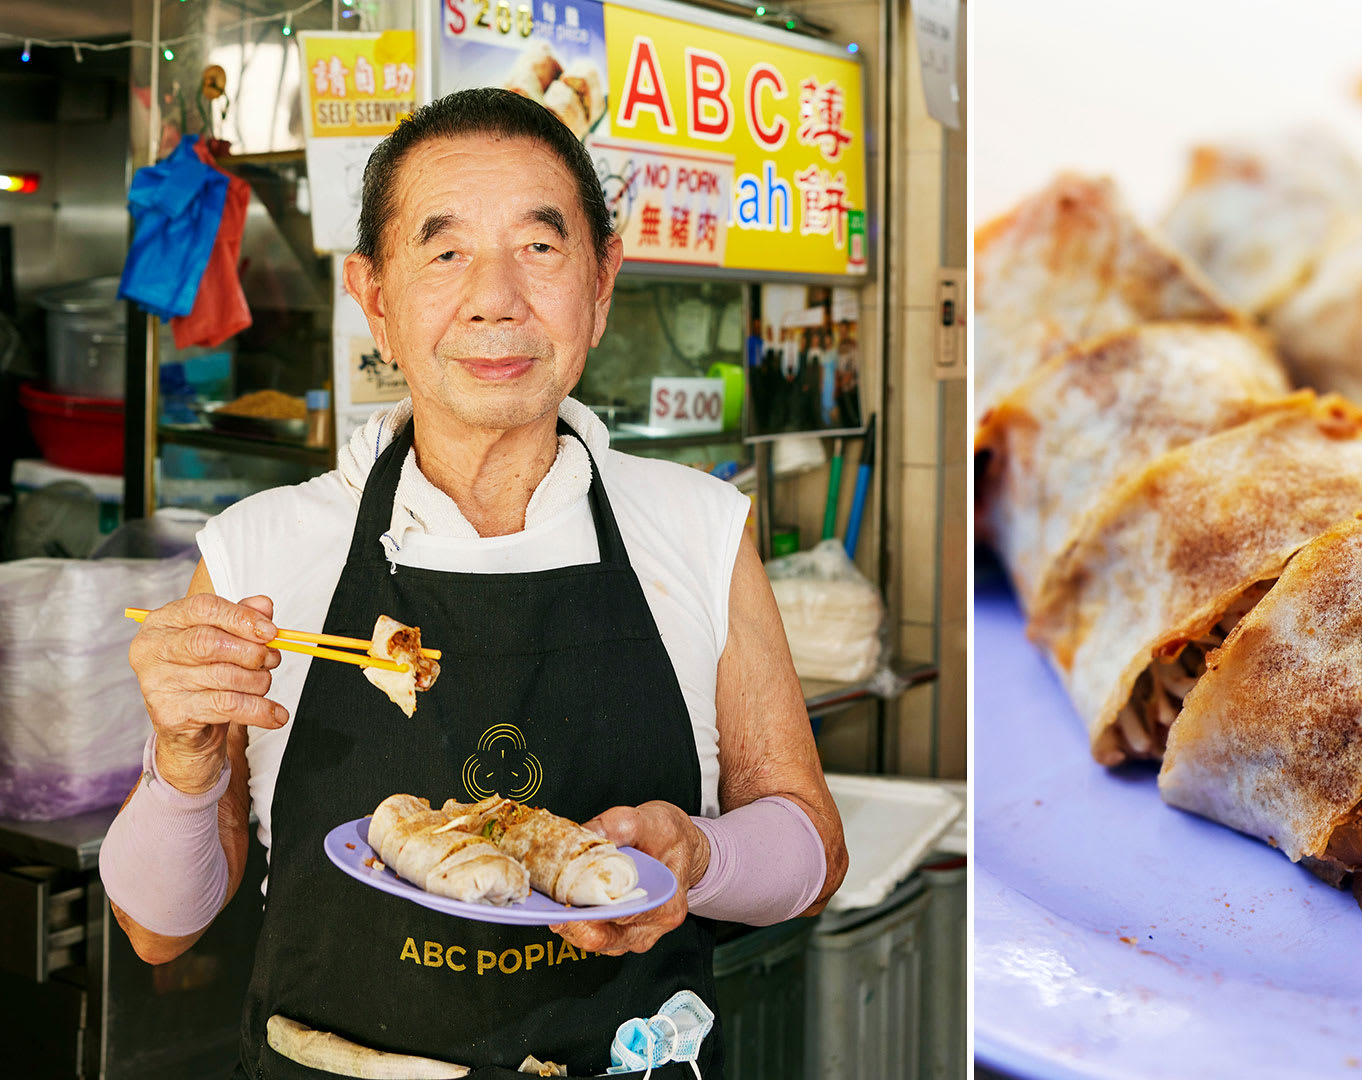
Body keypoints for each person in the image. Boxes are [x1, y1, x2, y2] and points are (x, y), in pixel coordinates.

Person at [100, 88, 847, 1078]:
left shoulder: (699, 528)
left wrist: (704, 860)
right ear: (374, 296)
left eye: (540, 248)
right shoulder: (259, 553)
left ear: (603, 283)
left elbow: (810, 849)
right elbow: (159, 932)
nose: (496, 296)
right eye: (445, 252)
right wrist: (182, 769)